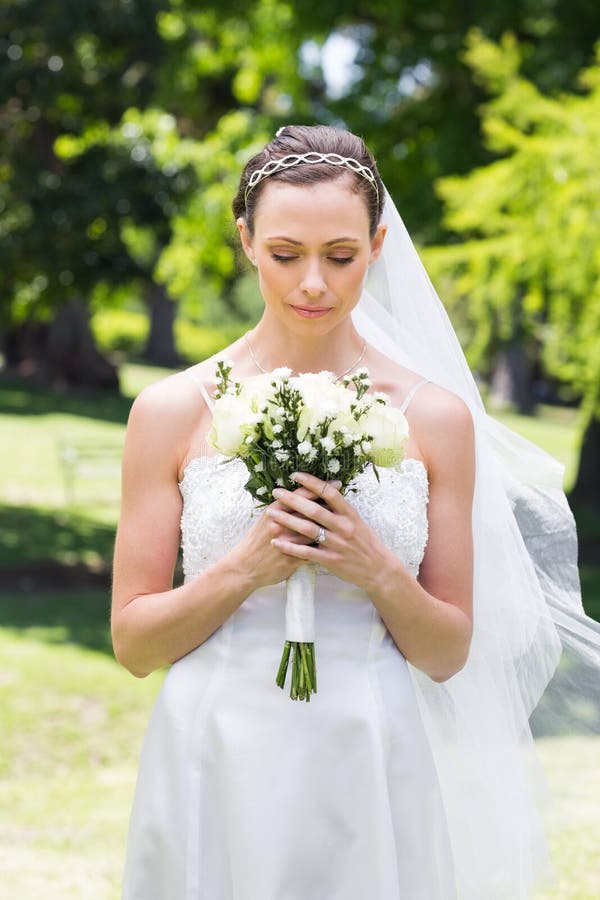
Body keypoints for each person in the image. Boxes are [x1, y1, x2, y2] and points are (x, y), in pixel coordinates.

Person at [112, 125, 600, 900]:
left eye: (340, 256)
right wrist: (245, 569)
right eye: (285, 254)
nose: (313, 282)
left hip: (370, 746)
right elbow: (135, 643)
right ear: (246, 242)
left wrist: (374, 567)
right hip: (215, 743)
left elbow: (446, 652)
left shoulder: (435, 418)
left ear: (376, 245)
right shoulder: (171, 410)